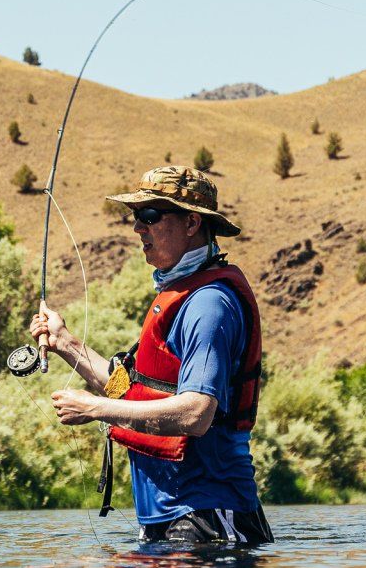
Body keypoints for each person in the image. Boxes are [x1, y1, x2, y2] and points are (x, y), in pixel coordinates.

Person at [30, 164, 272, 546]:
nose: (137, 228)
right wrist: (65, 343)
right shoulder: (181, 296)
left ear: (192, 222)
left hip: (208, 515)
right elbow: (133, 387)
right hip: (172, 517)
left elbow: (196, 413)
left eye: (150, 216)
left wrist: (95, 409)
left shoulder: (209, 304)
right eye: (135, 217)